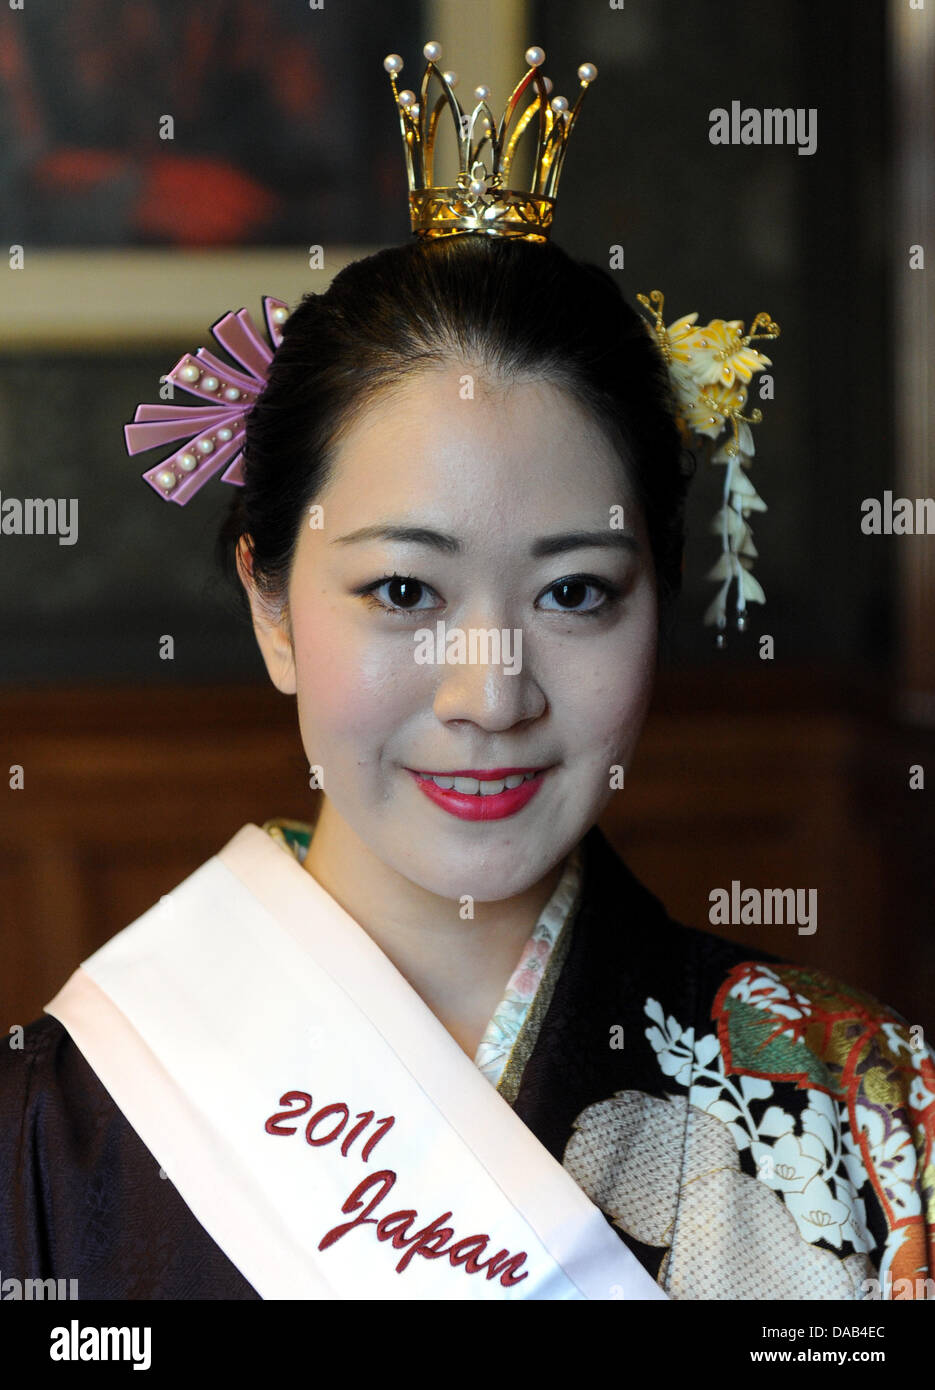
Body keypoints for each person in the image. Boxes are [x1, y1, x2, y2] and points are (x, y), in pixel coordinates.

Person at [1, 43, 932, 1304]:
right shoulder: (56, 1134)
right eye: (402, 591)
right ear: (269, 608)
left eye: (574, 592)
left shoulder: (863, 1112)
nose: (490, 695)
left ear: (659, 598)